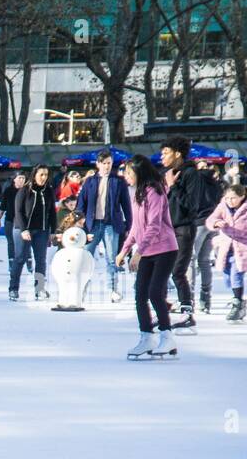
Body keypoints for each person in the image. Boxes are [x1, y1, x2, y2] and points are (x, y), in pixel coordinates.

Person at [117, 155, 179, 359]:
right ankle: (146, 337)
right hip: (148, 250)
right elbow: (136, 226)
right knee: (140, 294)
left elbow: (154, 225)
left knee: (154, 292)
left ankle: (167, 336)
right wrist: (124, 250)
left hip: (165, 249)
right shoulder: (137, 194)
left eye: (128, 172)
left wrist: (138, 252)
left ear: (139, 172)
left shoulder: (155, 192)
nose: (126, 176)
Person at [163, 135, 220, 327]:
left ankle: (187, 310)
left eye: (166, 152)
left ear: (177, 153)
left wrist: (173, 186)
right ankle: (164, 306)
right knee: (163, 269)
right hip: (168, 229)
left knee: (178, 271)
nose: (162, 156)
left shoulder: (191, 174)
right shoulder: (169, 172)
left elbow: (191, 205)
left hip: (184, 229)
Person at [206, 183, 247, 322]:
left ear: (242, 197)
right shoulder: (223, 206)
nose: (229, 201)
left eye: (233, 198)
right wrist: (216, 223)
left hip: (243, 248)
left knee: (236, 275)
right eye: (227, 198)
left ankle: (237, 303)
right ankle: (239, 302)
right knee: (228, 277)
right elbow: (211, 219)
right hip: (225, 246)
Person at [76, 152, 132, 304]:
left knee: (112, 258)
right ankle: (81, 289)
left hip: (111, 224)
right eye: (104, 163)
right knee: (86, 258)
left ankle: (112, 289)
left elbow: (126, 205)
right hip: (92, 225)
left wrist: (129, 225)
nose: (107, 166)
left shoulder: (118, 182)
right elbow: (81, 203)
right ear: (98, 164)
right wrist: (79, 219)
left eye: (109, 163)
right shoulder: (89, 182)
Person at [9, 164, 56, 301]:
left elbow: (52, 211)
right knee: (20, 259)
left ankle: (39, 288)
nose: (43, 177)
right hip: (23, 230)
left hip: (41, 230)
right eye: (41, 174)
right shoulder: (24, 190)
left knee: (41, 260)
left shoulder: (48, 191)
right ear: (34, 175)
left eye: (46, 175)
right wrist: (24, 229)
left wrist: (53, 230)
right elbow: (18, 212)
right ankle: (13, 288)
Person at [0, 171, 28, 271]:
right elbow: (3, 207)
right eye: (19, 178)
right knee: (11, 242)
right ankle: (11, 262)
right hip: (10, 219)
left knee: (25, 242)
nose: (22, 180)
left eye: (23, 178)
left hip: (24, 221)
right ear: (14, 179)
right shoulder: (8, 191)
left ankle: (28, 261)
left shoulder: (28, 191)